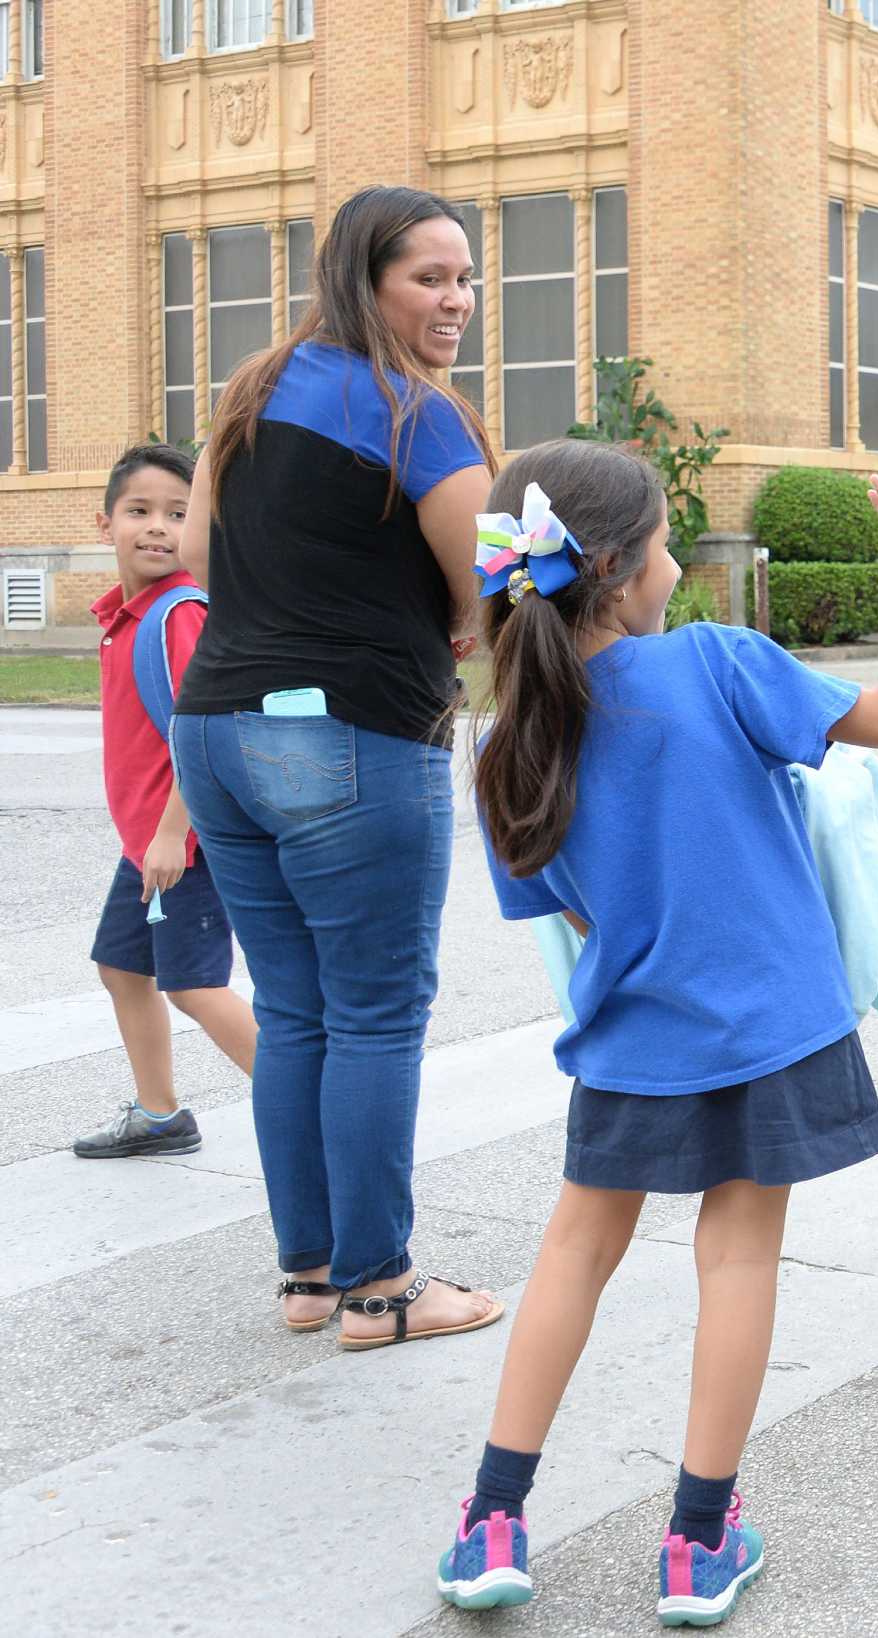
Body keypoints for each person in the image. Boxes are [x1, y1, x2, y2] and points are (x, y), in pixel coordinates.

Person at [434, 439, 878, 1623]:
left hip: (631, 1040)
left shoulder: (505, 745)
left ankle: (489, 1522)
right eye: (670, 539)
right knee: (735, 1263)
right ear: (621, 568)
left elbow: (576, 915)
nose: (678, 560)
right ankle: (694, 1541)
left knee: (571, 1258)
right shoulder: (720, 664)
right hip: (771, 1029)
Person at [170, 186, 503, 1346]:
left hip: (215, 728)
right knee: (370, 1017)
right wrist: (457, 619)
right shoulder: (418, 414)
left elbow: (208, 551)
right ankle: (382, 1286)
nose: (455, 300)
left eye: (465, 278)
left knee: (301, 1010)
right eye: (429, 277)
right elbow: (488, 572)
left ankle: (309, 1276)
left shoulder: (248, 392)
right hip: (345, 732)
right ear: (364, 278)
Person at [71, 444, 258, 1160]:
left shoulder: (179, 612)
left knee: (195, 985)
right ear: (103, 522)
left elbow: (203, 730)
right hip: (147, 843)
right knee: (122, 966)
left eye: (178, 514)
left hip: (186, 842)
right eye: (139, 511)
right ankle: (159, 1114)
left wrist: (172, 837)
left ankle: (308, 1111)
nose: (157, 527)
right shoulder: (125, 614)